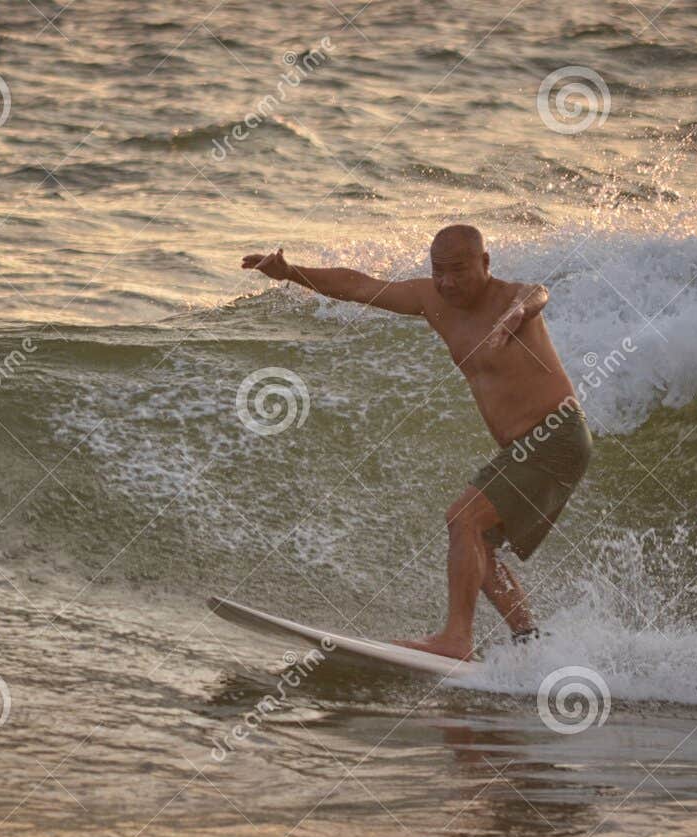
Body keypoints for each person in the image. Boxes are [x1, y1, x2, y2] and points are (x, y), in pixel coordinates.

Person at [242, 225, 591, 660]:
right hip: (526, 446)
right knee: (477, 542)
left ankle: (456, 640)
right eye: (438, 271)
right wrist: (292, 272)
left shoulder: (509, 299)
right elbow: (359, 287)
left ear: (485, 263)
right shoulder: (433, 300)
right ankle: (529, 641)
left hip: (554, 434)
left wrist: (518, 315)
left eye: (459, 271)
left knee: (463, 518)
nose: (447, 282)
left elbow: (537, 293)